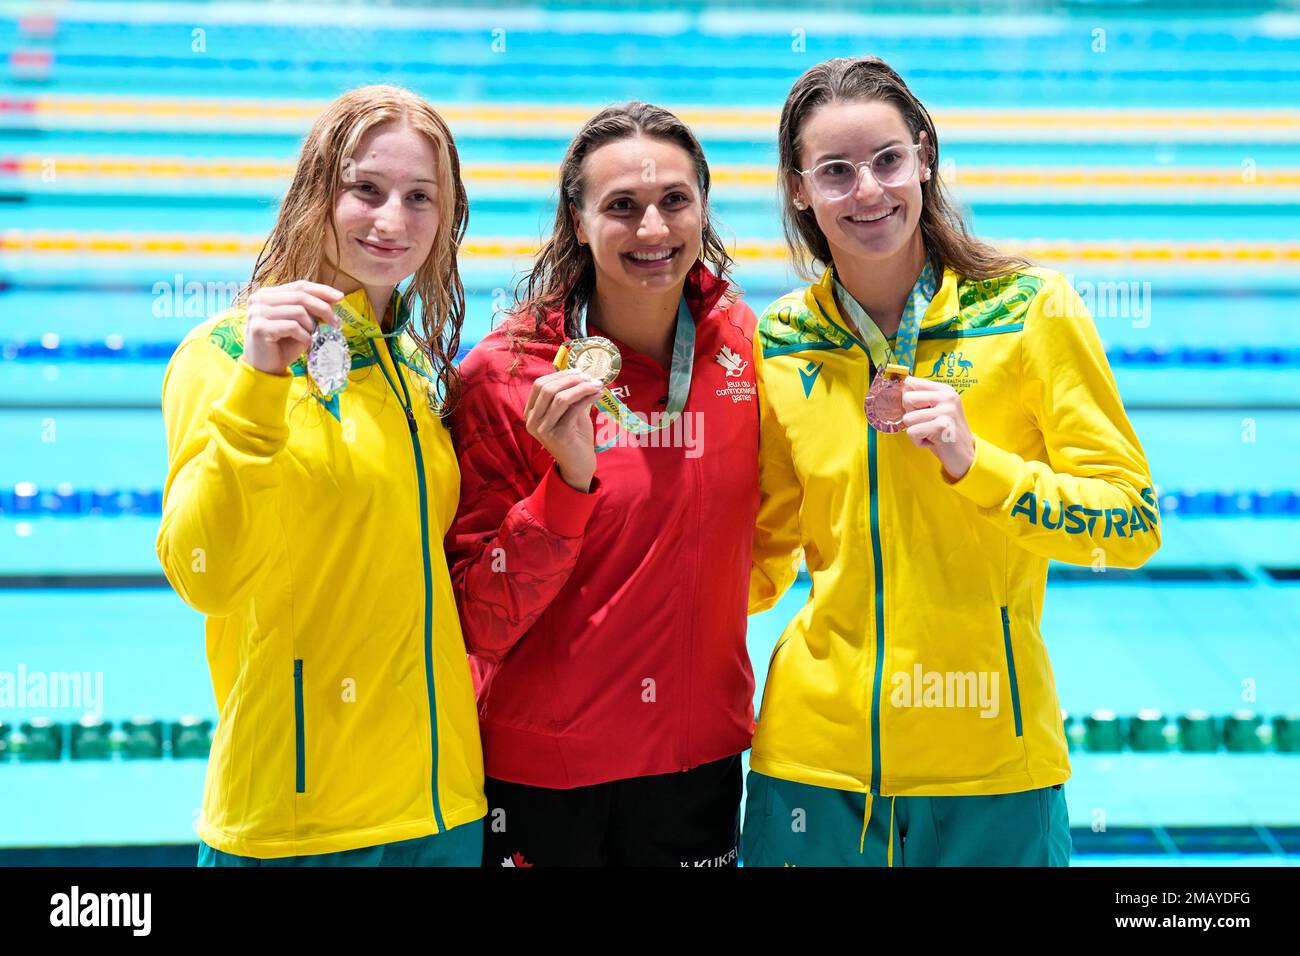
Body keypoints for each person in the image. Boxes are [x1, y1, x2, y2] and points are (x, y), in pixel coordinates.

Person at [742, 57, 1161, 866]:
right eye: (835, 171)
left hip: (991, 768)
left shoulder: (1032, 310)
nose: (868, 191)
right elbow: (762, 554)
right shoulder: (784, 339)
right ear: (799, 190)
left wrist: (980, 465)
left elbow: (1131, 525)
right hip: (811, 769)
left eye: (888, 160)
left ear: (924, 157)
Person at [157, 85, 486, 865]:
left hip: (440, 811)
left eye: (419, 198)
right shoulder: (226, 355)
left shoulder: (411, 367)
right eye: (365, 189)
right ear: (316, 192)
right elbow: (205, 574)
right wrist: (260, 389)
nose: (392, 221)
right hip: (297, 822)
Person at [446, 102, 759, 867]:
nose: (653, 230)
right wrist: (566, 484)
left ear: (703, 210)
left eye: (674, 201)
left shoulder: (744, 352)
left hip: (695, 767)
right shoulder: (506, 374)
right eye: (621, 207)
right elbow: (476, 620)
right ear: (577, 222)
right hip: (543, 780)